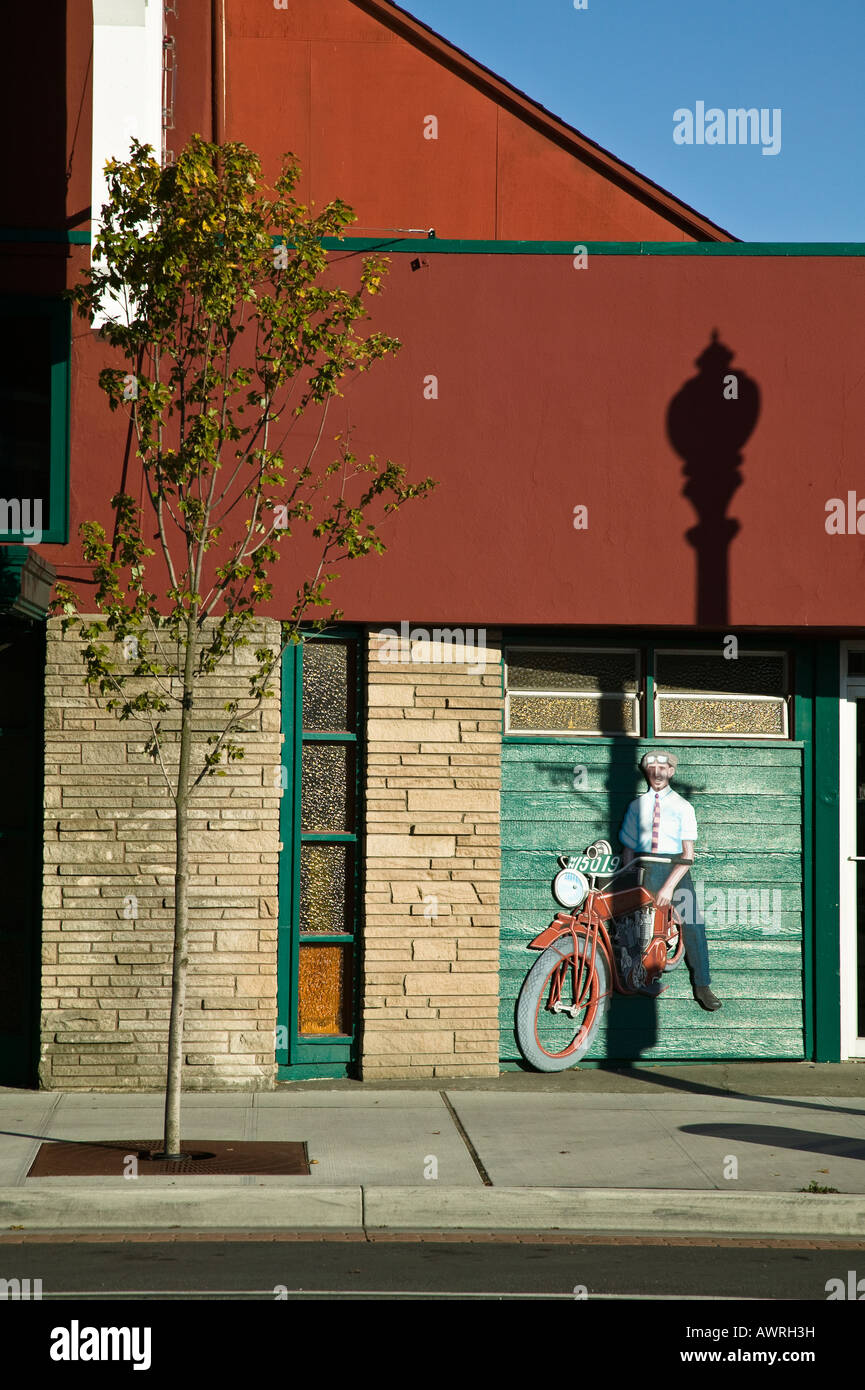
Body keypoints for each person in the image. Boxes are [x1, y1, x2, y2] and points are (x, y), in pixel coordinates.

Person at [618, 750, 721, 1011]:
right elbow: (628, 850)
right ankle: (636, 977)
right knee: (631, 923)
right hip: (643, 866)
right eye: (651, 768)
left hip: (674, 868)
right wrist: (625, 881)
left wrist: (668, 887)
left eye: (662, 768)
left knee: (693, 921)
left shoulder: (683, 807)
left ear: (671, 772)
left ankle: (703, 984)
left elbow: (688, 855)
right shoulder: (635, 807)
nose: (657, 773)